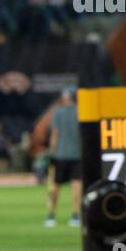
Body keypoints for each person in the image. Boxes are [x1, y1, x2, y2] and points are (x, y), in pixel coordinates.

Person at [45, 89, 82, 227]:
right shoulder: (80, 111)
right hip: (77, 154)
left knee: (55, 186)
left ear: (64, 98)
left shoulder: (58, 112)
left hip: (60, 154)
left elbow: (55, 135)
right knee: (77, 185)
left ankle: (50, 215)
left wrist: (52, 153)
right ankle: (75, 215)